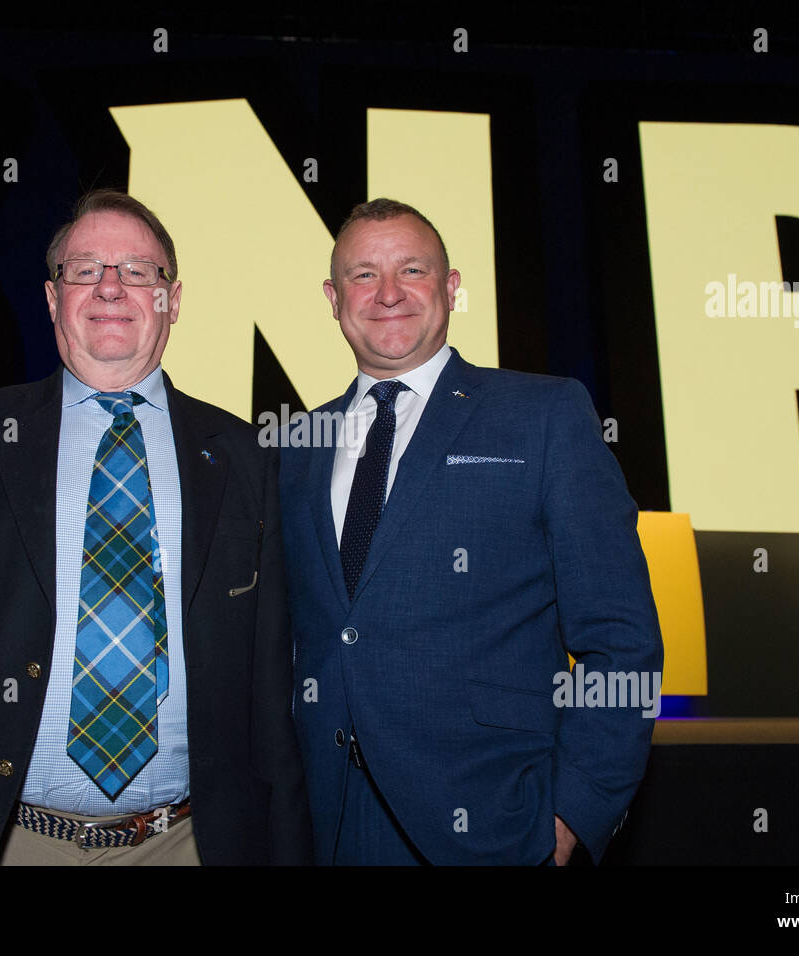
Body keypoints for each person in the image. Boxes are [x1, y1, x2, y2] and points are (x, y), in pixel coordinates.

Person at [0, 189, 311, 865]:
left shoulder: (244, 456)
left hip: (186, 845)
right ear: (54, 298)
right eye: (85, 270)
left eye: (137, 271)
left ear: (172, 299)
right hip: (8, 844)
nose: (111, 287)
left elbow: (272, 696)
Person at [281, 199, 663, 865]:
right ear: (333, 299)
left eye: (412, 270)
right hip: (328, 823)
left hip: (492, 823)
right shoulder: (296, 446)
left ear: (451, 286)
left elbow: (621, 637)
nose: (389, 293)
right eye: (363, 275)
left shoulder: (543, 415)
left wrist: (573, 813)